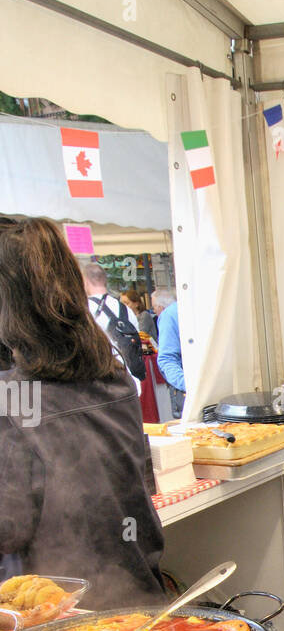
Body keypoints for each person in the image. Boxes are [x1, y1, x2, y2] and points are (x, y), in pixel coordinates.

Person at [0, 216, 165, 608]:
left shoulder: (12, 399)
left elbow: (9, 530)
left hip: (56, 624)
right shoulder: (112, 376)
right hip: (137, 592)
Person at [81, 261, 143, 396]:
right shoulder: (126, 309)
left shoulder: (85, 310)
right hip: (132, 383)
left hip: (103, 386)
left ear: (85, 281)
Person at [152, 288, 185, 418]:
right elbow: (167, 359)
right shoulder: (172, 314)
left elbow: (166, 359)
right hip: (190, 390)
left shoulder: (169, 315)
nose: (154, 310)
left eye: (154, 307)